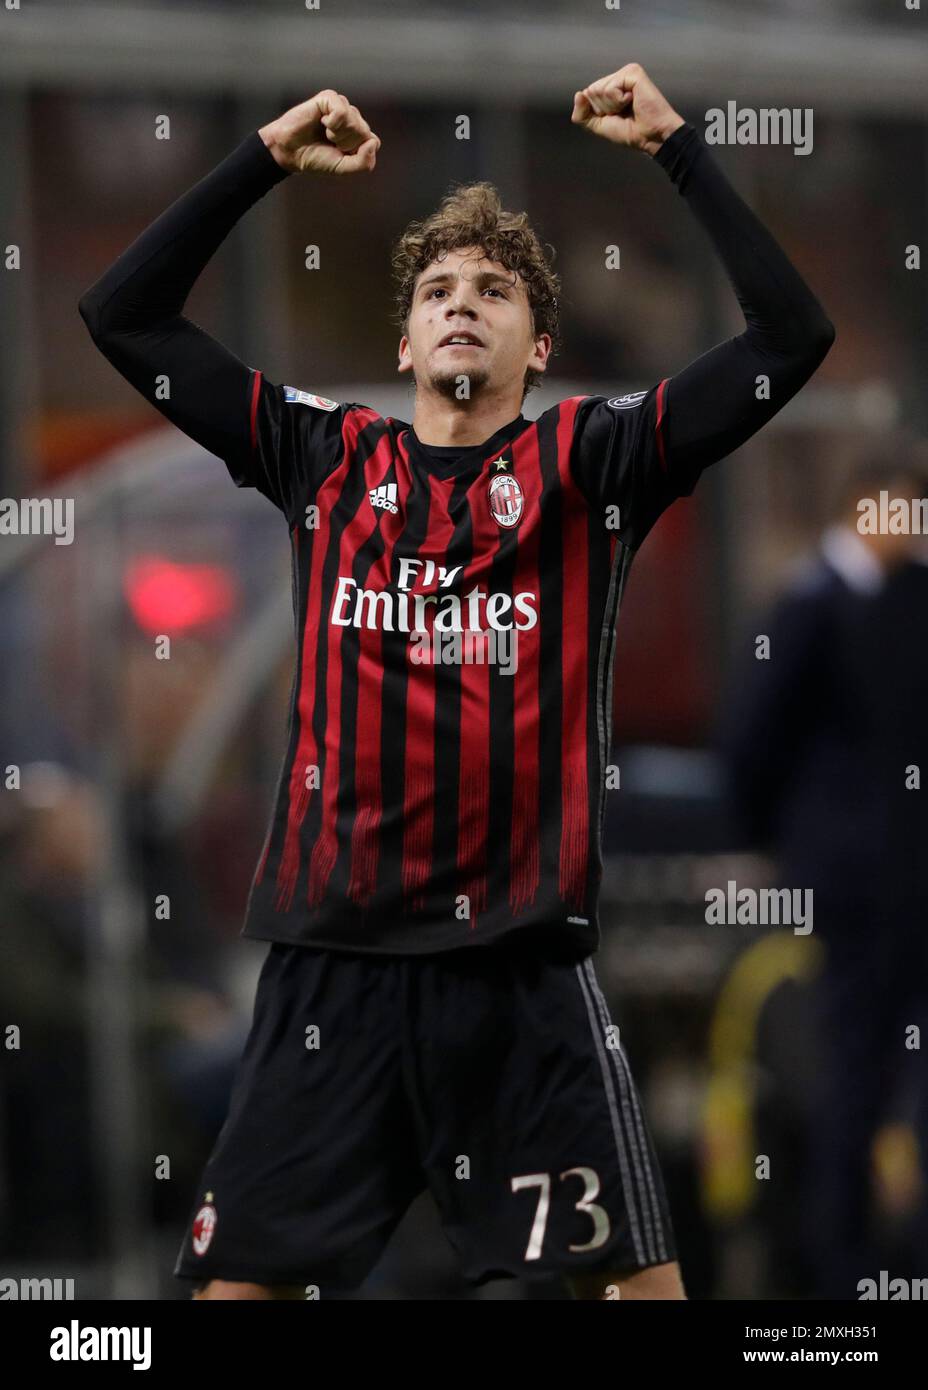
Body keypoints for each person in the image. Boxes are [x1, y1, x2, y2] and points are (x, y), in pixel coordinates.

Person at [78, 64, 833, 1301]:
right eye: (436, 290)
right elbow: (124, 317)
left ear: (540, 345)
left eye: (492, 291)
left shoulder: (592, 463)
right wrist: (263, 158)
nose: (460, 304)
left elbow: (789, 341)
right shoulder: (319, 455)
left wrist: (679, 150)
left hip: (520, 973)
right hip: (337, 970)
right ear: (405, 339)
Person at [721, 457, 928, 1298]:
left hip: (910, 881)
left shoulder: (910, 603)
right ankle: (841, 1271)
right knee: (853, 1072)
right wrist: (782, 845)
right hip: (855, 889)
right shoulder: (810, 608)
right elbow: (750, 741)